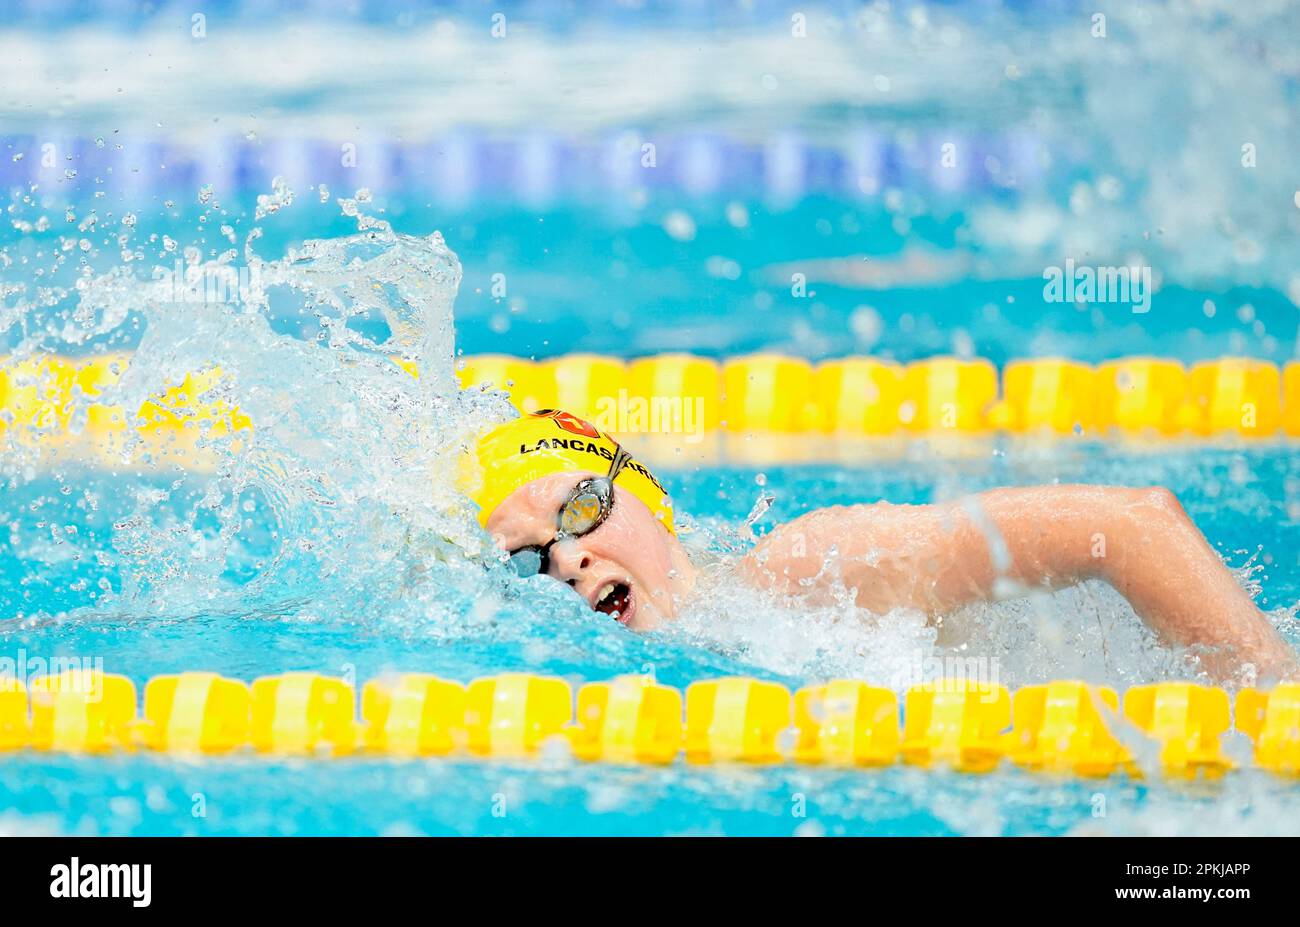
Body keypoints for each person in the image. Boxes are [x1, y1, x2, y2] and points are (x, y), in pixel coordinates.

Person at [459, 409, 1299, 685]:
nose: (564, 559)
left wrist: (1269, 716)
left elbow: (1132, 524)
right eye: (527, 558)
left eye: (579, 511)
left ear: (645, 496)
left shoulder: (807, 571)